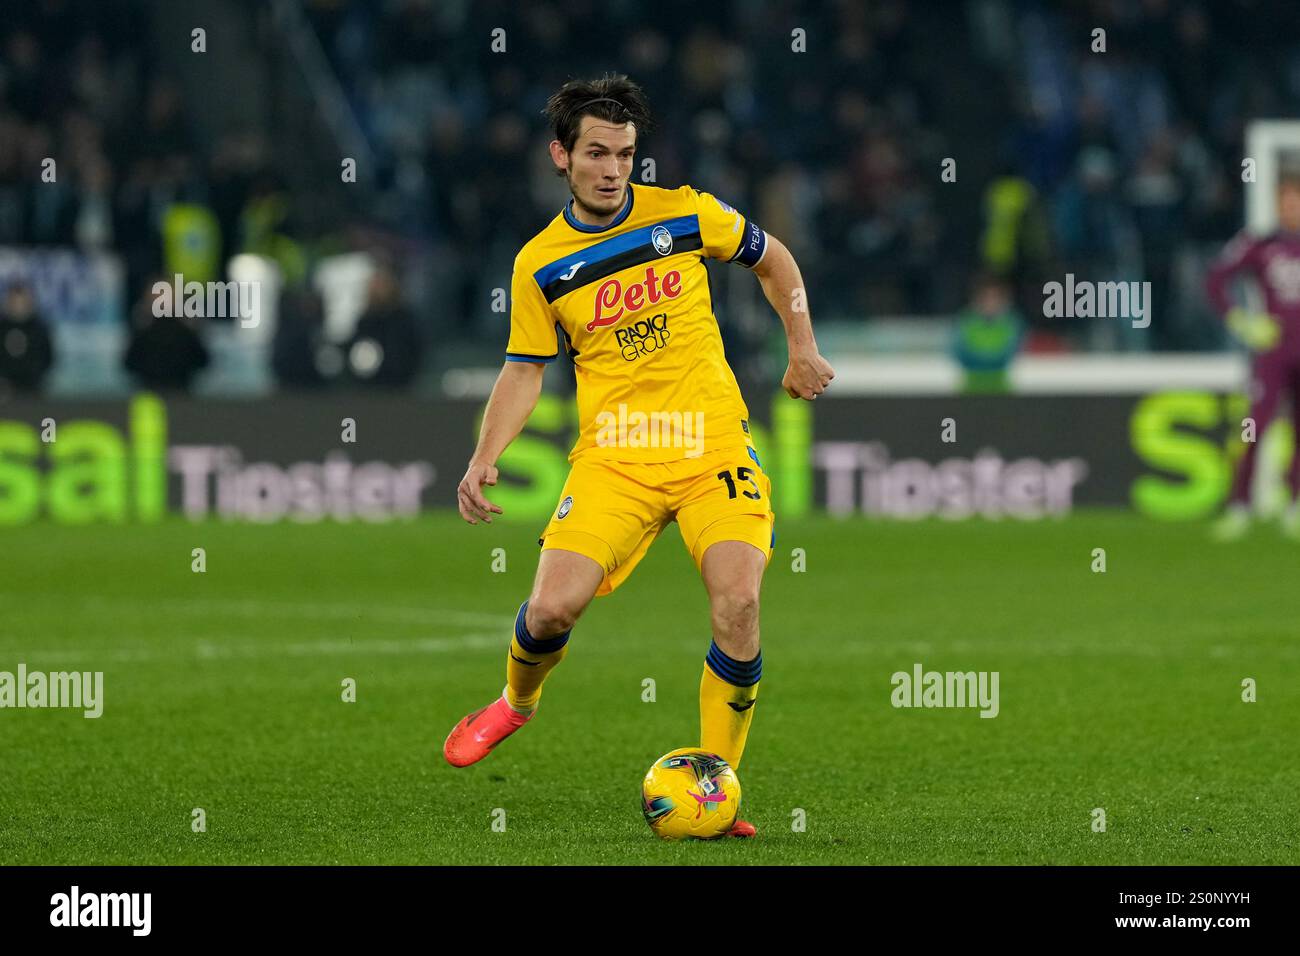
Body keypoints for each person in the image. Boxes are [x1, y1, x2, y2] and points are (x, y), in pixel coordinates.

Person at [443, 74, 835, 838]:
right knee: (553, 607)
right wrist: (484, 455)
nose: (613, 168)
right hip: (615, 461)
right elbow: (525, 367)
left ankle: (717, 792)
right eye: (595, 152)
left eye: (624, 153)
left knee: (740, 602)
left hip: (712, 445)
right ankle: (515, 703)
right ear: (561, 156)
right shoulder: (541, 264)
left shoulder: (685, 212)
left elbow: (774, 258)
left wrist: (801, 345)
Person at [1205, 173, 1300, 540]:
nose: (1291, 209)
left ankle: (1294, 504)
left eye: (1296, 201)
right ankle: (1239, 505)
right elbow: (1215, 279)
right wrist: (1242, 321)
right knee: (1254, 427)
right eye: (1286, 202)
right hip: (1273, 351)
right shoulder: (1259, 243)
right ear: (1277, 205)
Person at [0, 281, 54, 393]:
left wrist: (35, 376)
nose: (18, 306)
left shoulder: (39, 329)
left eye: (22, 302)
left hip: (34, 388)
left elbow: (48, 358)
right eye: (14, 302)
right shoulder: (2, 328)